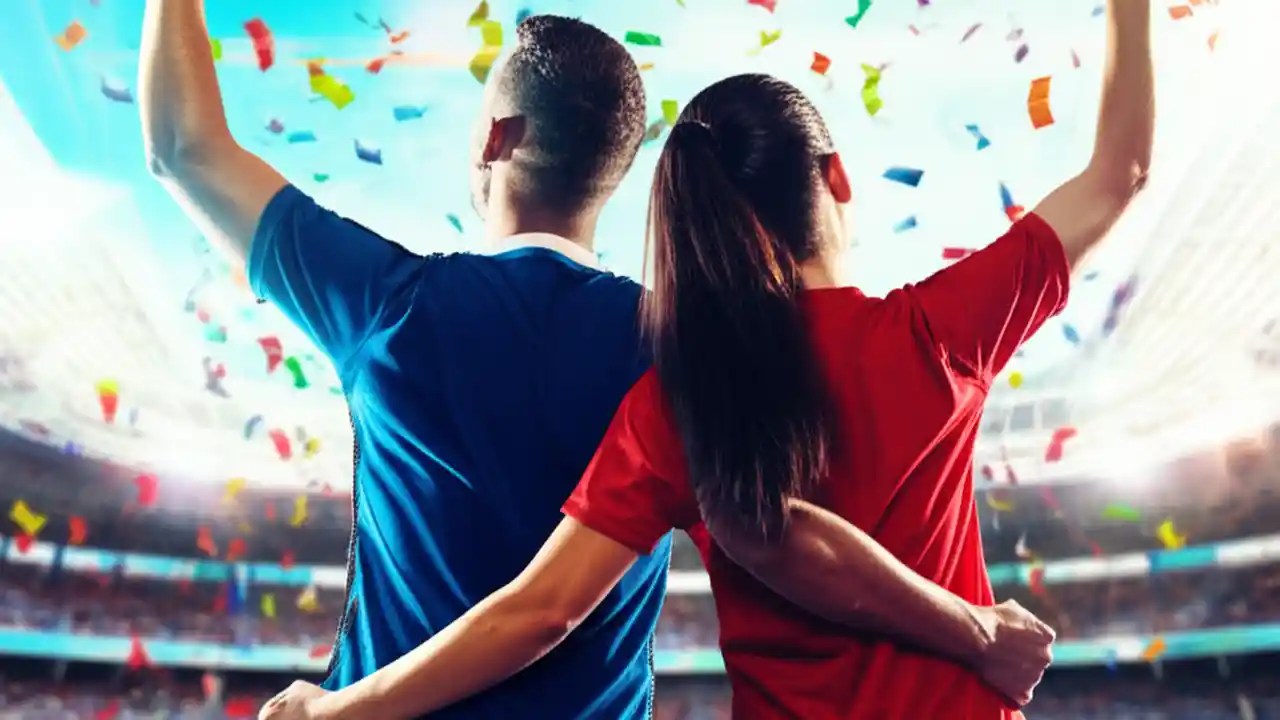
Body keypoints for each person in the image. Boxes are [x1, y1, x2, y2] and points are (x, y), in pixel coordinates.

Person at [139, 3, 1056, 719]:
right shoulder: (685, 350)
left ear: (495, 140)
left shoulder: (389, 305)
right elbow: (783, 528)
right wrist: (969, 629)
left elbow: (183, 149)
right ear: (613, 177)